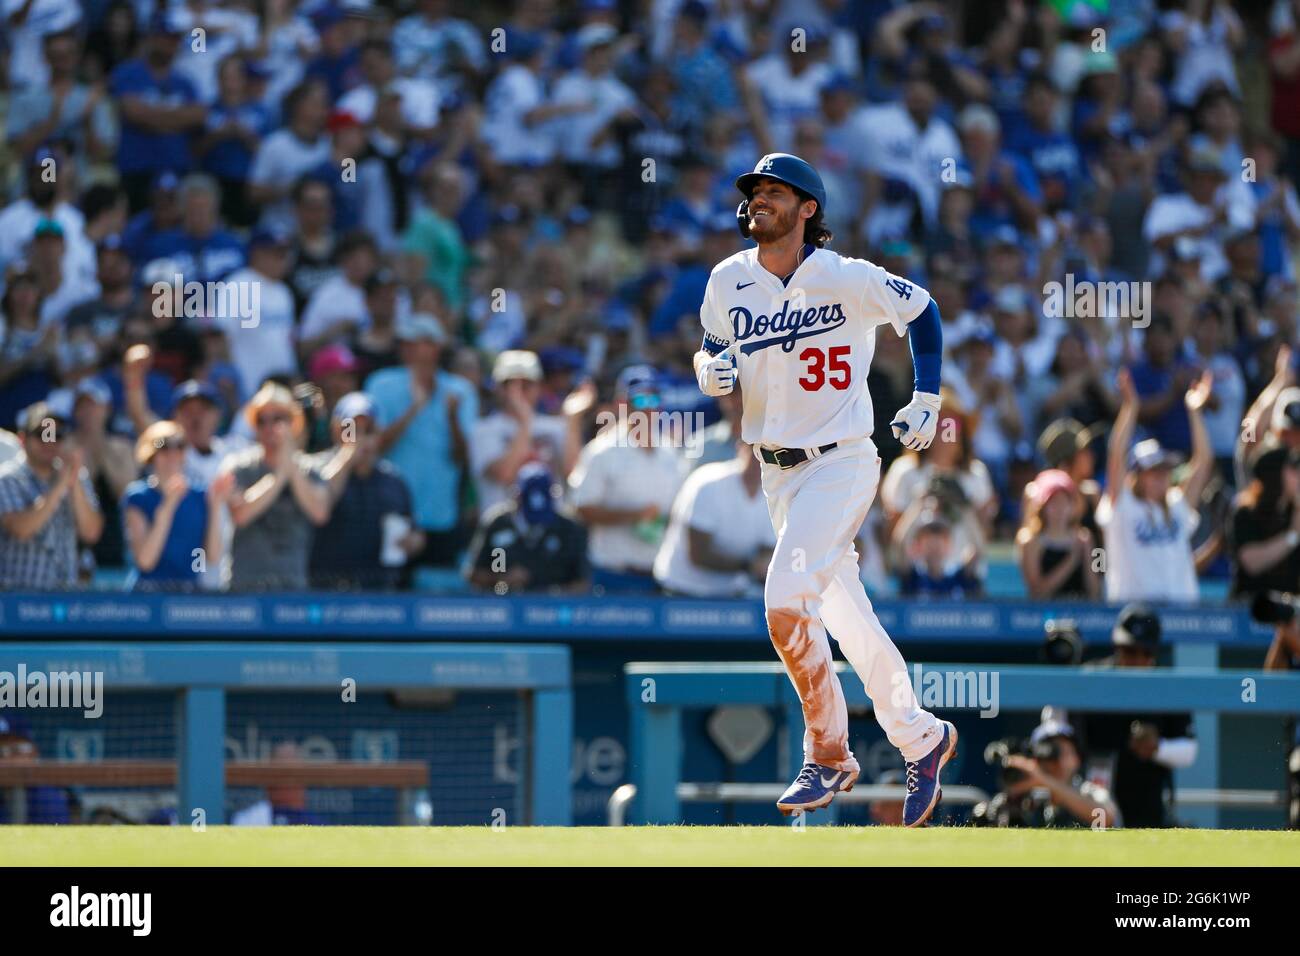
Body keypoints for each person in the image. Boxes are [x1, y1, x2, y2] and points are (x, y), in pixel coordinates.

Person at [694, 152, 956, 824]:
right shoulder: (728, 281)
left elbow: (922, 311)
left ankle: (829, 750)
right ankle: (921, 737)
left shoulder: (844, 276)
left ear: (808, 209)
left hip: (839, 461)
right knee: (847, 620)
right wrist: (708, 366)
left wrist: (928, 395)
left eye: (776, 192)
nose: (760, 200)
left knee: (785, 602)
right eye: (755, 192)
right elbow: (711, 340)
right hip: (777, 473)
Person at [365, 314, 477, 569]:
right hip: (389, 515)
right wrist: (414, 407)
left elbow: (463, 458)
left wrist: (452, 419)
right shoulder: (380, 383)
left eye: (419, 342)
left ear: (437, 347)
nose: (410, 349)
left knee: (437, 602)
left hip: (439, 515)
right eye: (406, 342)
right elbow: (375, 447)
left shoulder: (461, 391)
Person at [1072, 605, 1198, 828]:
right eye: (1130, 650)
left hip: (1147, 805)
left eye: (1146, 652)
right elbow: (1063, 732)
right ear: (1117, 647)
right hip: (1090, 800)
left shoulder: (1168, 687)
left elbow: (1189, 751)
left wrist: (1156, 747)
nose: (1137, 660)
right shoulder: (1092, 679)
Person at [1096, 368, 1215, 602]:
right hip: (1134, 615)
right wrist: (1130, 408)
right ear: (1137, 476)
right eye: (1153, 472)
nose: (1161, 477)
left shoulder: (1177, 505)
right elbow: (1116, 456)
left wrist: (1194, 412)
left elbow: (1203, 462)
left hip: (1180, 617)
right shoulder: (1123, 506)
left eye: (1164, 470)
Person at [568, 365, 686, 594]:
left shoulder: (671, 453)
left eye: (655, 399)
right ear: (622, 405)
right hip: (612, 575)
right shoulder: (601, 452)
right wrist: (634, 515)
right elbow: (581, 509)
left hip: (660, 578)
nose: (649, 408)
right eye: (641, 401)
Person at [219, 383, 335, 591]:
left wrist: (290, 463)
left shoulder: (310, 469)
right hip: (245, 591)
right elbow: (240, 514)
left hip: (292, 590)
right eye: (262, 420)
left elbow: (320, 512)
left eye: (278, 418)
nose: (270, 427)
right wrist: (280, 475)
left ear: (294, 424)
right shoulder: (238, 466)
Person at [309, 392, 422, 591]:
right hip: (323, 591)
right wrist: (348, 455)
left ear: (379, 433)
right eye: (351, 430)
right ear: (336, 430)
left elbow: (414, 530)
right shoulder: (314, 468)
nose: (360, 439)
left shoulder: (393, 480)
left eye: (368, 430)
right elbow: (318, 506)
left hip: (378, 590)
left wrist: (413, 542)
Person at [653, 438, 774, 598]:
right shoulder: (708, 483)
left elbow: (767, 549)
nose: (761, 461)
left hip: (733, 595)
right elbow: (698, 555)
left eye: (769, 455)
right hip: (680, 593)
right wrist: (749, 566)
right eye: (757, 452)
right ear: (741, 448)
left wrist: (763, 563)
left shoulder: (773, 494)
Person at [0, 402, 103, 588]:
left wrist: (74, 484)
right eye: (42, 435)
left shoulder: (76, 475)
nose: (50, 442)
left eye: (56, 435)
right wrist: (59, 486)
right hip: (17, 599)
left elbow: (91, 532)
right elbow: (21, 530)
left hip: (63, 596)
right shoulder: (7, 478)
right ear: (22, 439)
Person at [470, 350, 584, 516]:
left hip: (551, 526)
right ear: (497, 388)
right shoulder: (483, 430)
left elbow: (574, 473)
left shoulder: (556, 426)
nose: (518, 391)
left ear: (539, 387)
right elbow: (505, 473)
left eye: (527, 384)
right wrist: (525, 423)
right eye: (509, 384)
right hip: (502, 528)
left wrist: (573, 420)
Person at [123, 420, 232, 591]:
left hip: (188, 597)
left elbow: (211, 556)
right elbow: (145, 561)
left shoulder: (201, 496)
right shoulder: (138, 496)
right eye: (164, 446)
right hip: (147, 597)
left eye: (180, 446)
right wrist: (167, 507)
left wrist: (216, 505)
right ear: (151, 454)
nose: (172, 453)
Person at [465, 464, 589, 594]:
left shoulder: (569, 528)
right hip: (504, 606)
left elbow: (583, 582)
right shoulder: (497, 524)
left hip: (553, 610)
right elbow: (473, 574)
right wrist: (502, 579)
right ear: (517, 497)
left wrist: (552, 596)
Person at [978, 719, 1120, 829]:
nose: (1056, 762)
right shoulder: (1029, 799)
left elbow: (1105, 818)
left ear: (1077, 759)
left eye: (1063, 752)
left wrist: (1044, 780)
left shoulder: (1090, 791)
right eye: (1049, 754)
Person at [1016, 468, 1101, 600]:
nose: (1059, 508)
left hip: (1081, 615)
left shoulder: (1086, 539)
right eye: (1053, 502)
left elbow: (1096, 590)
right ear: (1042, 507)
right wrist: (1071, 560)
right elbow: (1037, 592)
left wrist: (1088, 554)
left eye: (1064, 501)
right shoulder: (1029, 541)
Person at [1230, 445, 1300, 598]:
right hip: (1251, 611)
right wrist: (1293, 536)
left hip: (1290, 613)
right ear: (1275, 474)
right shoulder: (1245, 513)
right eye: (1293, 468)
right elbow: (1252, 563)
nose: (1299, 474)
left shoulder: (1294, 513)